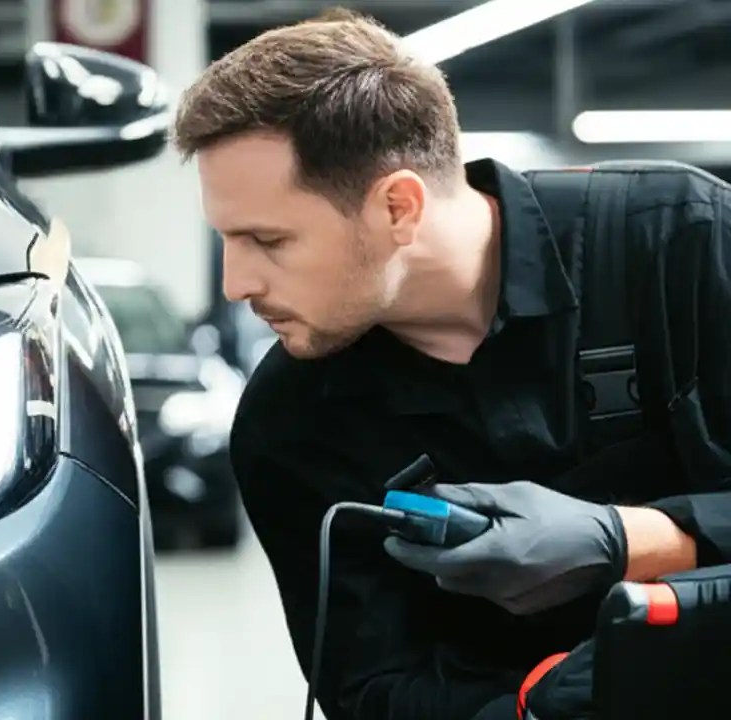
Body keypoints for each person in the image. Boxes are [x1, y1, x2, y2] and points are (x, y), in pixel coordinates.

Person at [170, 8, 731, 720]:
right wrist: (539, 707)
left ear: (398, 208)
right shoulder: (290, 425)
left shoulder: (681, 247)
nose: (234, 284)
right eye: (225, 238)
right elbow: (370, 691)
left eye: (268, 240)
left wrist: (629, 542)